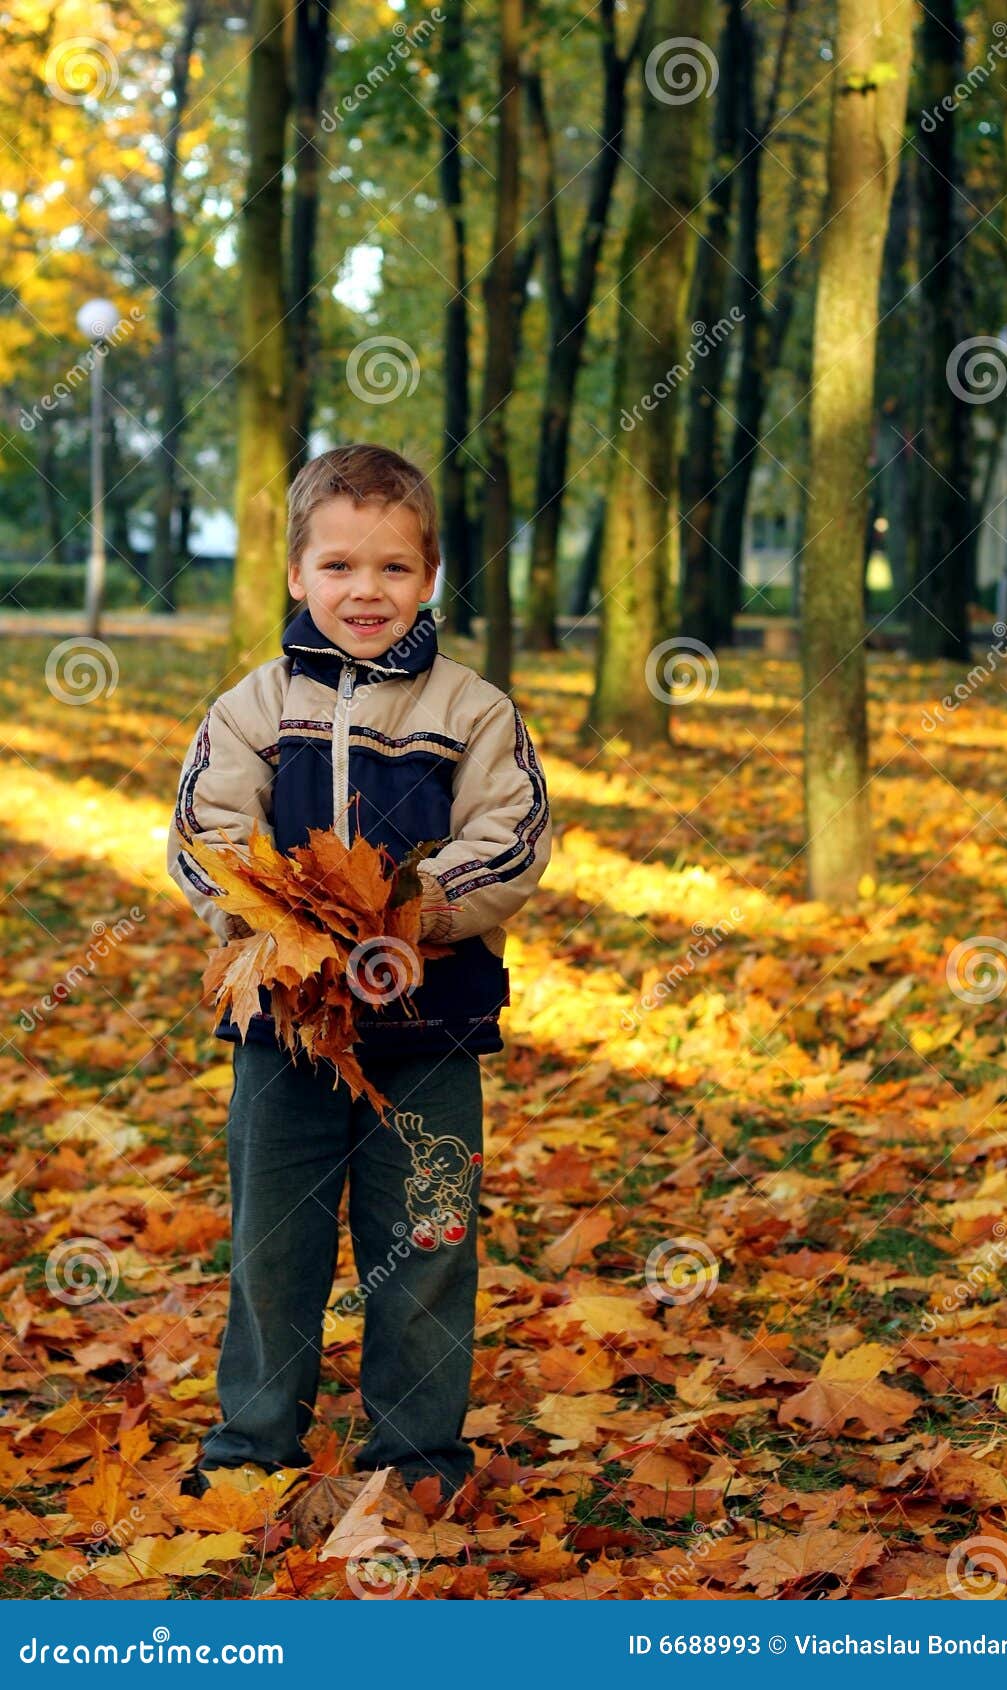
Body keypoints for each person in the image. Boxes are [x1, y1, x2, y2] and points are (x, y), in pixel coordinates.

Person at [166, 443, 552, 1500]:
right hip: (283, 1030)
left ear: (429, 576)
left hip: (431, 1031)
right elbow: (206, 838)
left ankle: (417, 1455)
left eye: (391, 568)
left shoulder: (473, 712)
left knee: (426, 1235)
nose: (364, 591)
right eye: (338, 566)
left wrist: (405, 912)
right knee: (271, 1245)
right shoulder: (251, 708)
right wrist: (285, 928)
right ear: (296, 573)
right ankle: (252, 1445)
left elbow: (511, 837)